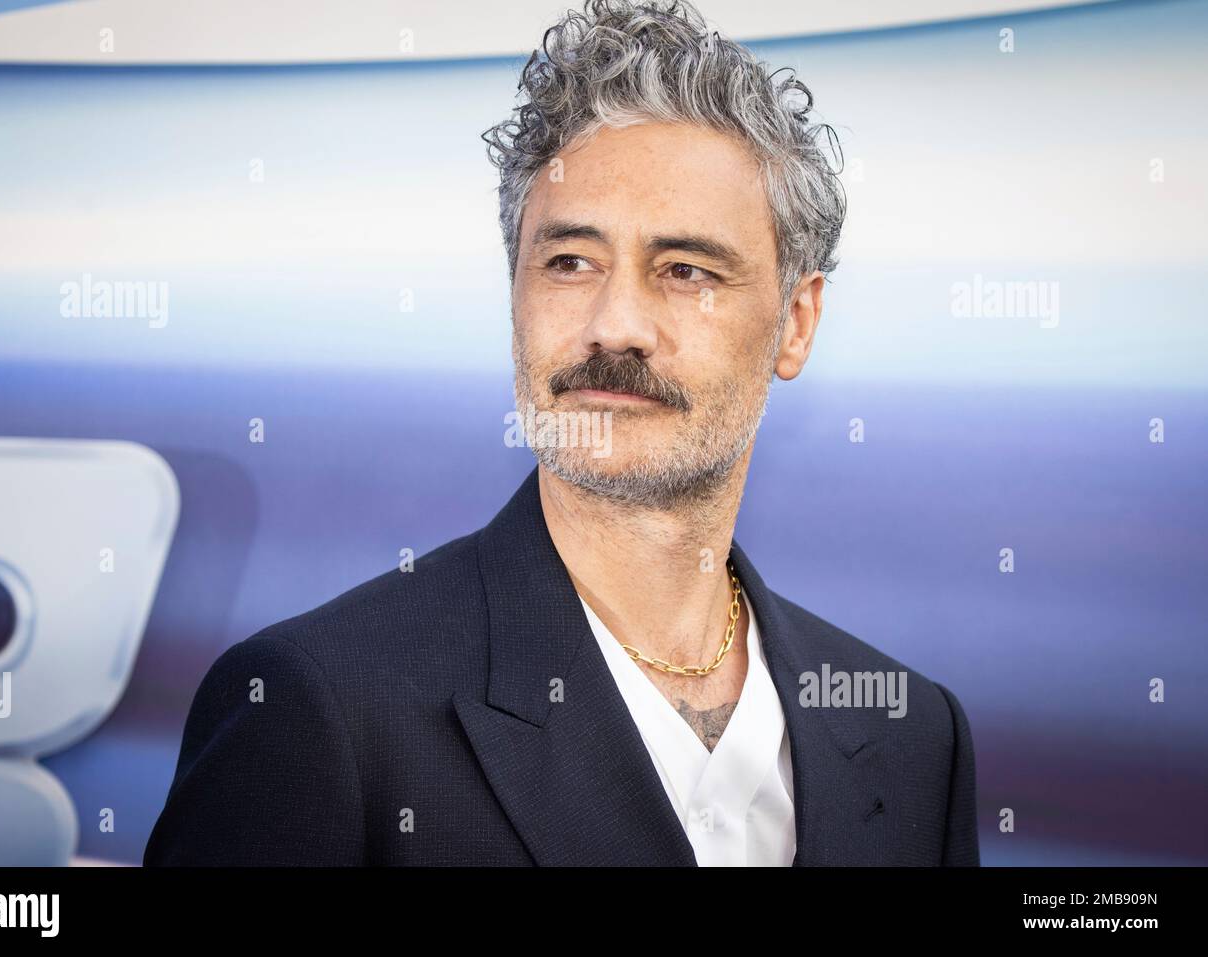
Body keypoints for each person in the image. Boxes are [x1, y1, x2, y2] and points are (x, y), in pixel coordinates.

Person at [144, 0, 979, 867]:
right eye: (570, 262)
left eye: (685, 270)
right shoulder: (318, 711)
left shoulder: (916, 737)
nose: (615, 325)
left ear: (796, 324)